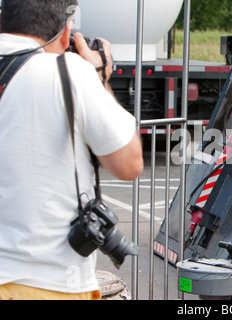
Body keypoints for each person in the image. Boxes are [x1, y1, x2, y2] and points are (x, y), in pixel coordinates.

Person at [0, 0, 143, 300]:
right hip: (45, 284)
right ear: (66, 35)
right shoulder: (69, 72)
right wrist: (99, 77)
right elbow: (129, 164)